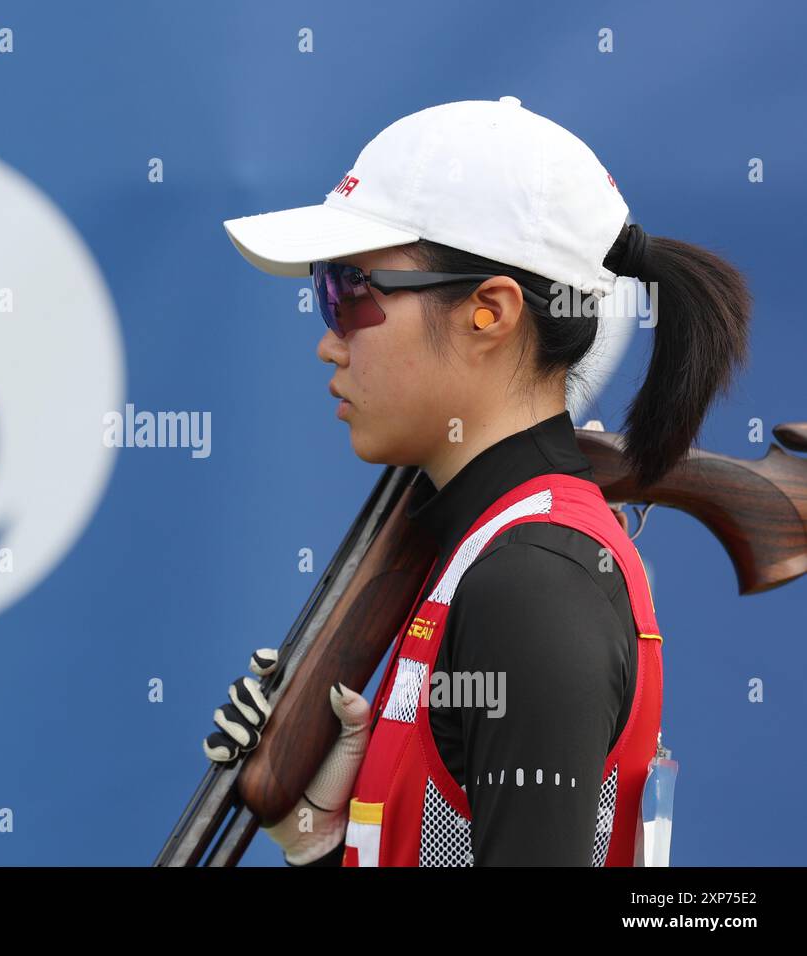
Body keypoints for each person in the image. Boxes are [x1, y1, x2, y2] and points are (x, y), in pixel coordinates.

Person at [202, 97, 750, 866]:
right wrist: (322, 843)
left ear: (489, 313)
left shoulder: (530, 581)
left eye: (351, 292)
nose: (329, 342)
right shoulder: (482, 554)